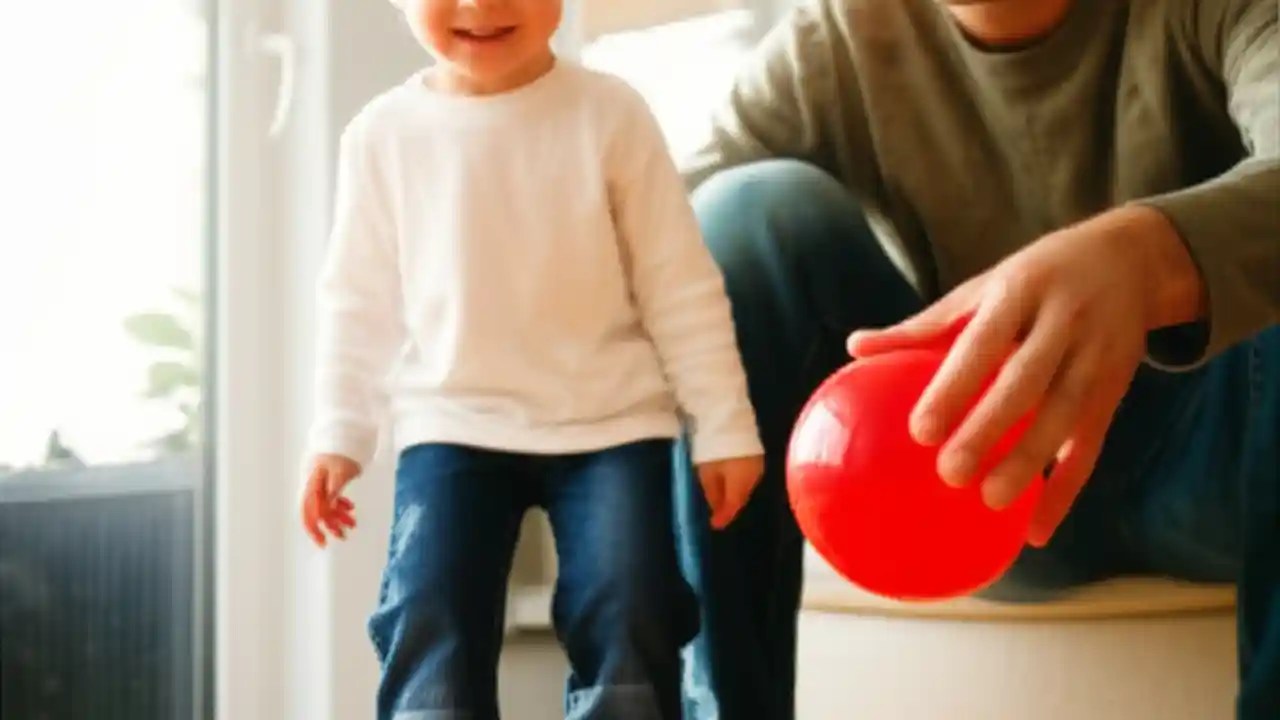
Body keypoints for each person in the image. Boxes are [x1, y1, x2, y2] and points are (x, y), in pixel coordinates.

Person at [673, 0, 1278, 718]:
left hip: (1224, 474)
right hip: (974, 487)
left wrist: (1153, 254)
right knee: (739, 222)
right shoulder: (840, 37)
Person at [296, 1, 766, 718]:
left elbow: (678, 283)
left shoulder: (611, 115)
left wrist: (724, 423)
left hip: (611, 421)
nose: (482, 6)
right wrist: (339, 432)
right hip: (451, 420)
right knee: (430, 605)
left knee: (631, 602)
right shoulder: (381, 137)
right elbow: (357, 303)